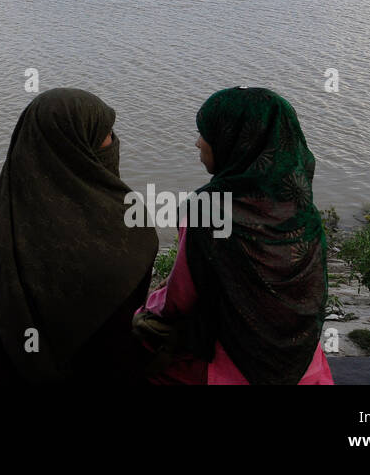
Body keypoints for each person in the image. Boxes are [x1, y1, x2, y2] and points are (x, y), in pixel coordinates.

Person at [0, 88, 158, 384]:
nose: (114, 141)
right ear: (75, 144)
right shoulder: (128, 217)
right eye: (105, 132)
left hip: (15, 372)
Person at [132, 86, 333, 384]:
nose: (198, 143)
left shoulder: (206, 210)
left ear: (235, 141)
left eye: (205, 134)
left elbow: (177, 301)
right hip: (302, 365)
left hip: (231, 367)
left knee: (138, 340)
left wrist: (146, 307)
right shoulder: (302, 210)